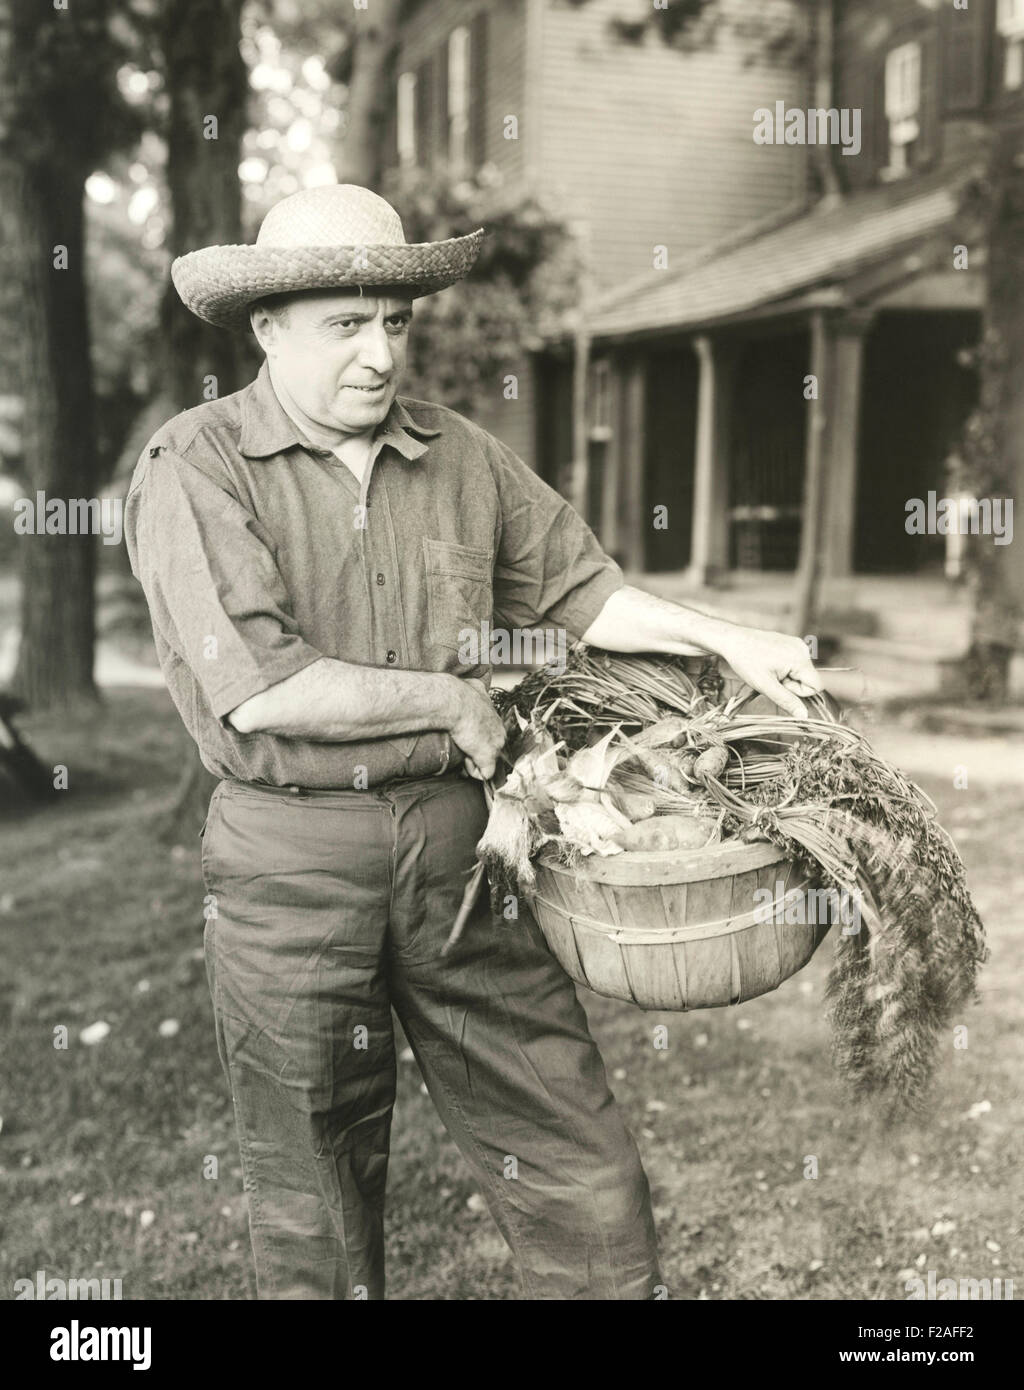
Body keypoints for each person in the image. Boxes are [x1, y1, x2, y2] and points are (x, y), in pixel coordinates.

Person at [125, 183, 821, 1300]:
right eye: (344, 325)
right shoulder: (196, 463)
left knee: (573, 1154)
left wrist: (734, 641)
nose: (378, 354)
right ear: (265, 327)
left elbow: (585, 594)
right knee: (314, 1187)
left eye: (394, 322)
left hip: (466, 851)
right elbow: (261, 690)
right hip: (291, 861)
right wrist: (453, 704)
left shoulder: (461, 455)